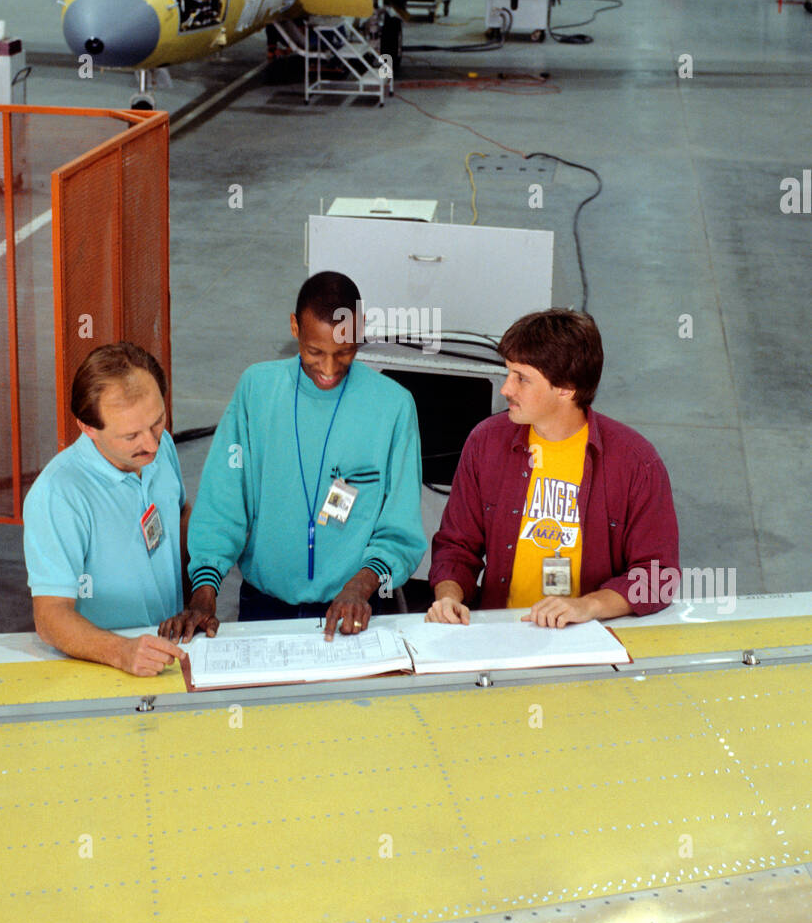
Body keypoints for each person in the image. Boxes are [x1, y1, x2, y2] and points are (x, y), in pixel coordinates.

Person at [159, 271, 426, 644]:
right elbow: (223, 503)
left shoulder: (393, 406)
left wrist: (361, 587)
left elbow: (400, 529)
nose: (329, 369)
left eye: (345, 352)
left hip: (354, 609)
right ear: (294, 328)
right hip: (262, 608)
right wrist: (205, 590)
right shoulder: (257, 390)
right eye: (315, 352)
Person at [427, 309, 679, 628]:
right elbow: (456, 545)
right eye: (508, 373)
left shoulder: (636, 462)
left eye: (522, 378)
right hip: (500, 633)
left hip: (588, 639)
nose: (506, 389)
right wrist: (449, 597)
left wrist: (587, 606)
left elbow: (658, 578)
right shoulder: (485, 442)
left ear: (566, 388)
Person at [23, 343, 189, 676]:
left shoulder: (162, 448)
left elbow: (180, 513)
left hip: (168, 651)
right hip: (107, 666)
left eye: (157, 422)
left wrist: (195, 596)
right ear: (88, 428)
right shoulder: (59, 494)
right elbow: (50, 616)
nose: (152, 444)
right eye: (131, 436)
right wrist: (121, 651)